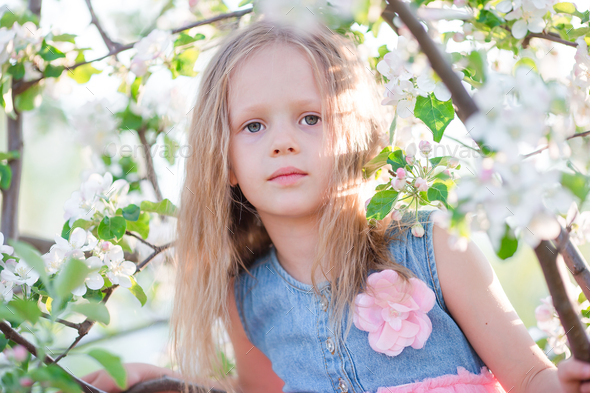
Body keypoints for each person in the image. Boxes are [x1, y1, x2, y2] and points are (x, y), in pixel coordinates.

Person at [81, 16, 590, 393]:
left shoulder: (428, 247)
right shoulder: (249, 296)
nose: (283, 142)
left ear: (356, 135)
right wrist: (166, 377)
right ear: (227, 162)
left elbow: (527, 375)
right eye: (253, 126)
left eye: (310, 118)